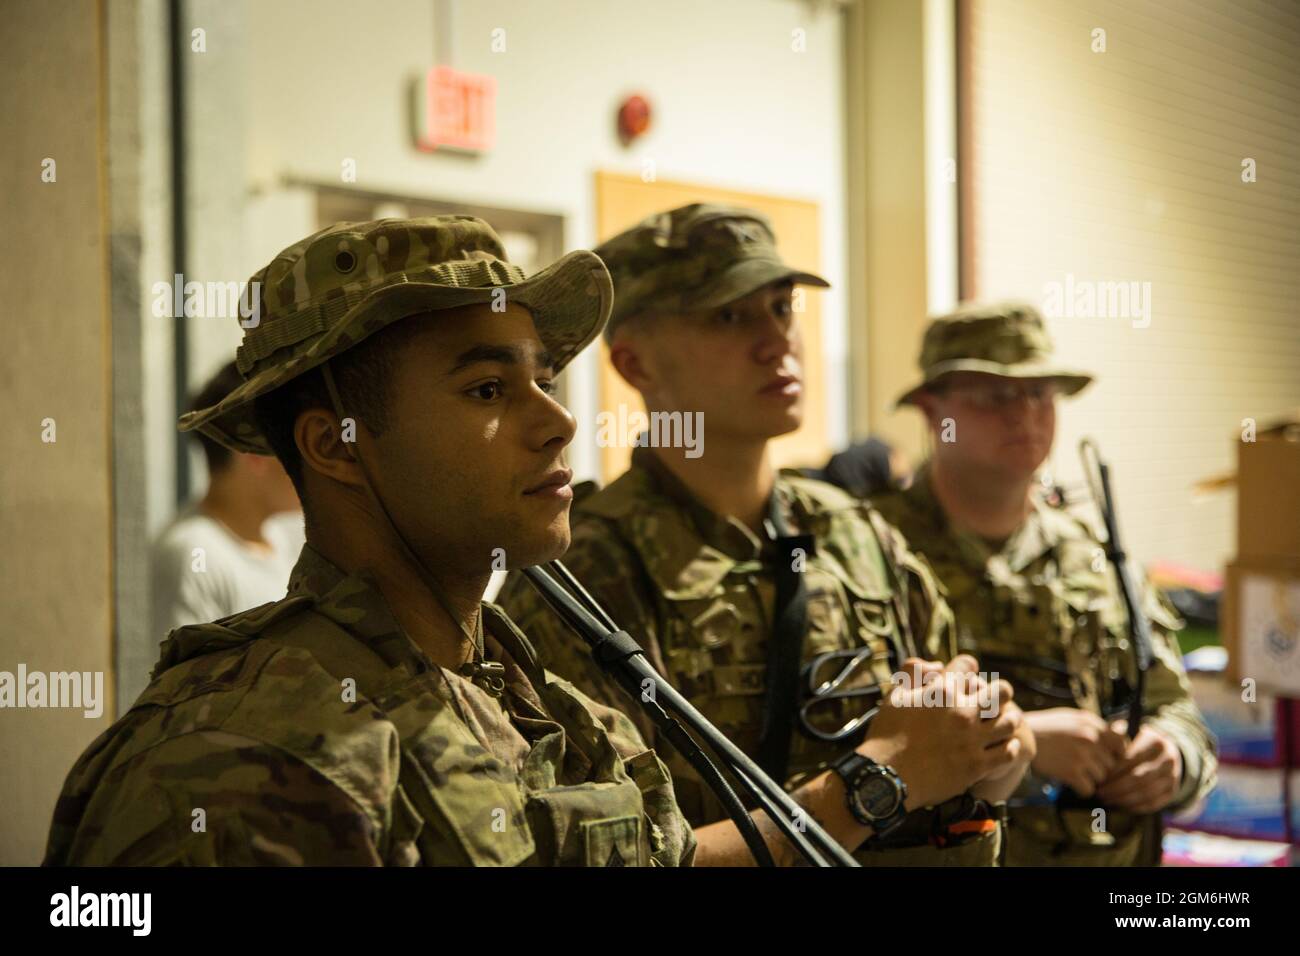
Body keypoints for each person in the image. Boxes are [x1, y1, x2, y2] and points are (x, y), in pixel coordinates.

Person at [45, 216, 987, 867]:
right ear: (336, 444)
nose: (558, 424)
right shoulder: (234, 757)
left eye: (543, 379)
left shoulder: (528, 697)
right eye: (489, 392)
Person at [498, 204, 1034, 866]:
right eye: (729, 316)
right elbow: (609, 858)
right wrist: (881, 777)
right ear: (636, 363)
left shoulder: (857, 536)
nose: (774, 339)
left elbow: (965, 755)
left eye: (782, 307)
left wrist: (995, 751)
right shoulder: (576, 580)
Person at [871, 301, 1217, 865]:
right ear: (934, 412)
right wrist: (1025, 743)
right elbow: (850, 745)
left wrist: (1172, 757)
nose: (1024, 415)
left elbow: (1176, 709)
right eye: (994, 395)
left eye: (1040, 394)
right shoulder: (870, 554)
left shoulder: (1099, 555)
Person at [151, 360, 305, 640]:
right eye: (295, 442)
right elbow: (186, 681)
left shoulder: (284, 537)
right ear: (253, 452)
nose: (311, 460)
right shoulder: (193, 556)